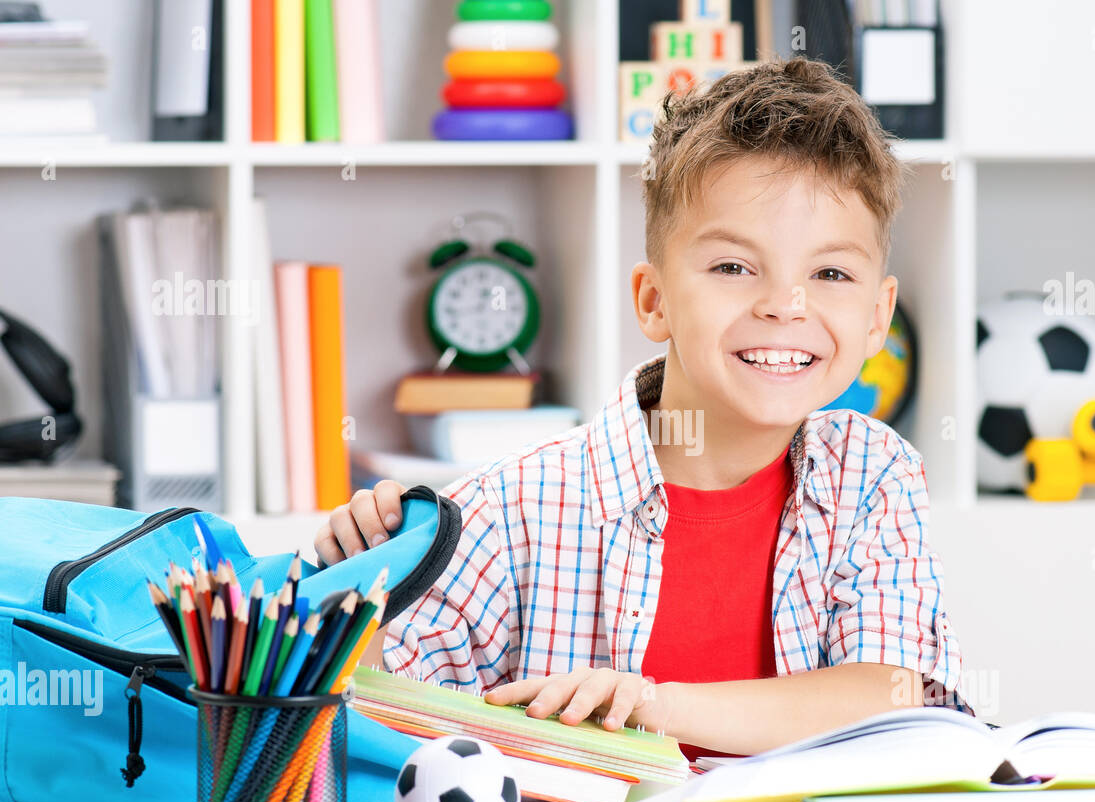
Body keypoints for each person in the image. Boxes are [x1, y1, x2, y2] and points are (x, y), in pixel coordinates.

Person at [316, 57, 970, 760]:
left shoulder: (871, 476)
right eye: (733, 267)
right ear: (653, 300)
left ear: (878, 316)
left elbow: (891, 697)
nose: (786, 305)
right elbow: (386, 718)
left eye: (830, 273)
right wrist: (359, 602)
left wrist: (653, 702)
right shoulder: (513, 508)